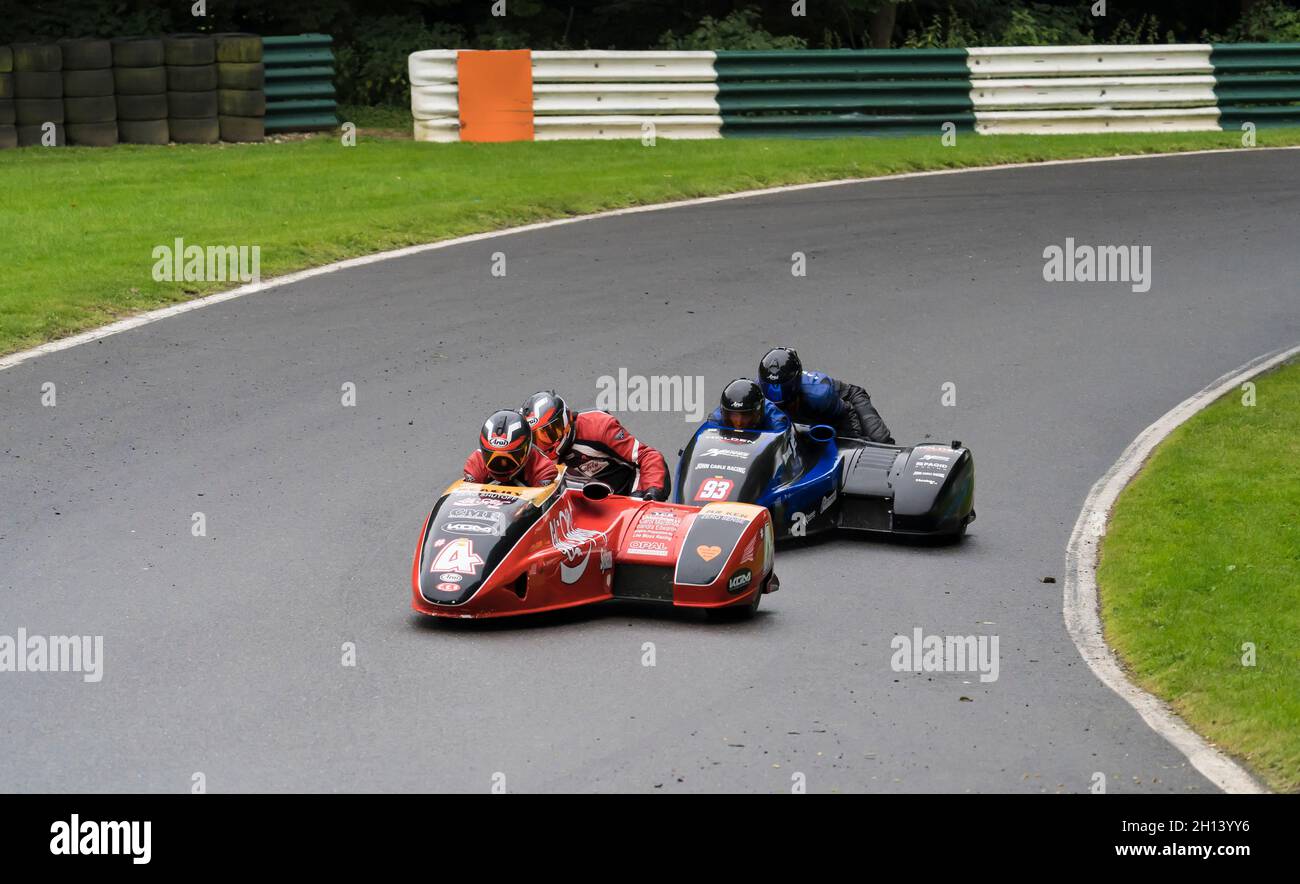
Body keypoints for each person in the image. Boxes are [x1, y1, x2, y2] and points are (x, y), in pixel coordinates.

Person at [520, 391, 670, 500]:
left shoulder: (598, 427)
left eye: (547, 433)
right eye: (534, 437)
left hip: (627, 494)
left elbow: (648, 456)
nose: (541, 443)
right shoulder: (527, 453)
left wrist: (650, 492)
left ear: (564, 423)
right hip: (586, 504)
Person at [758, 346, 894, 443]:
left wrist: (853, 442)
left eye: (787, 404)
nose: (775, 391)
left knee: (879, 439)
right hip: (812, 412)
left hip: (846, 400)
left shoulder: (818, 395)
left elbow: (847, 412)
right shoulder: (756, 394)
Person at [462, 409, 559, 487]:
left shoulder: (542, 468)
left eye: (512, 455)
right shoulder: (476, 463)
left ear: (527, 450)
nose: (502, 465)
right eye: (490, 455)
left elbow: (542, 500)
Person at [705, 378, 791, 433]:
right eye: (734, 415)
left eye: (745, 415)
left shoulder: (776, 421)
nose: (739, 422)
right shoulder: (715, 419)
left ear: (759, 413)